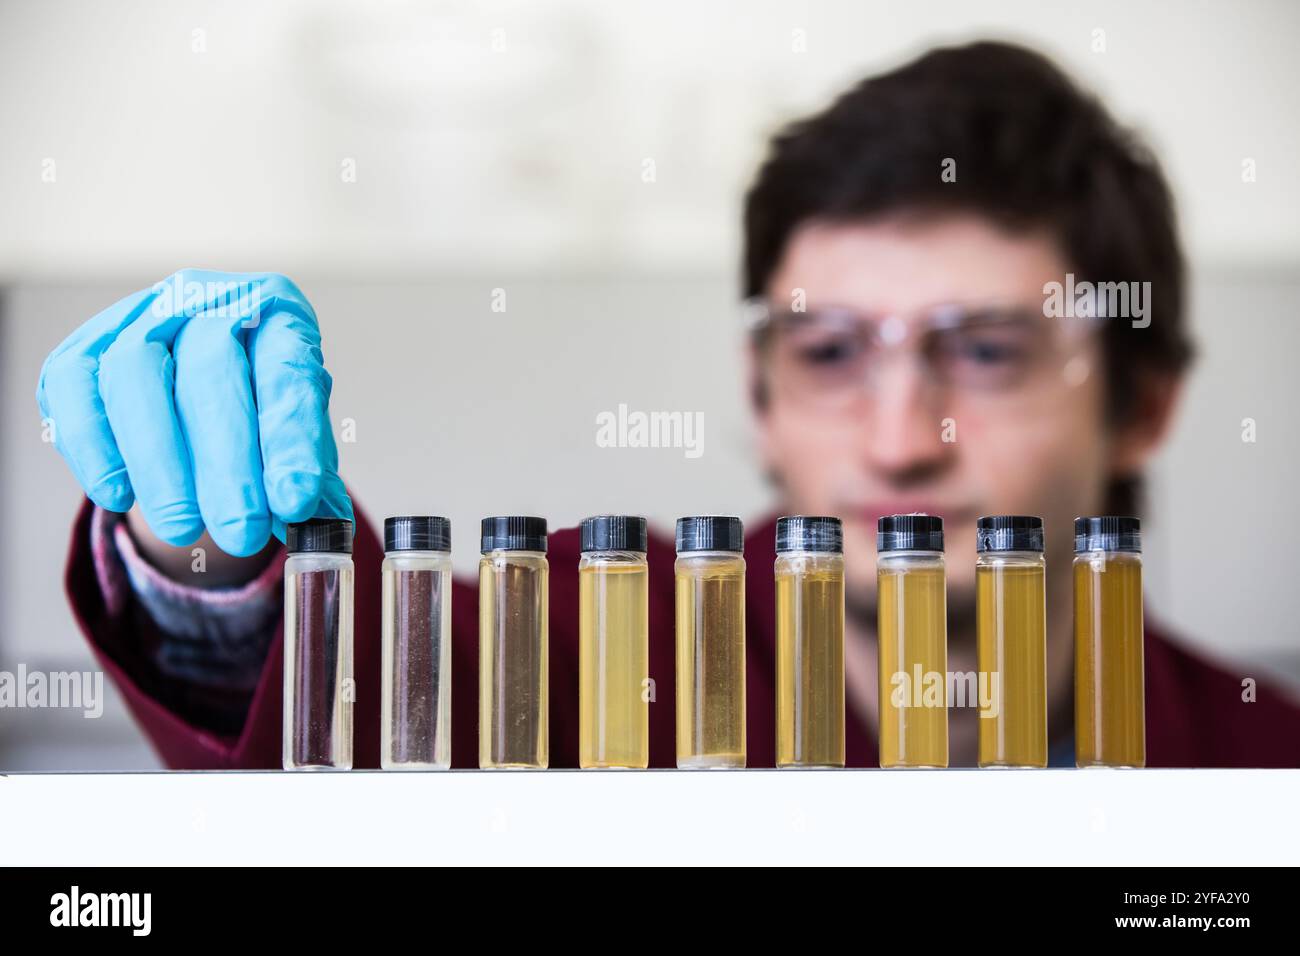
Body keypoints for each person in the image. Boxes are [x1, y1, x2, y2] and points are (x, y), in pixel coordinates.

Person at [39, 41, 1300, 769]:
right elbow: (367, 705)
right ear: (757, 396)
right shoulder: (591, 645)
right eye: (827, 351)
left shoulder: (1263, 762)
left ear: (1142, 403)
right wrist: (210, 555)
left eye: (984, 353)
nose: (899, 440)